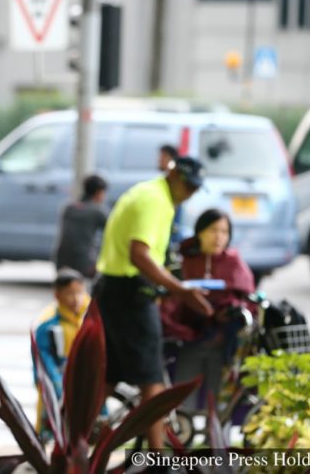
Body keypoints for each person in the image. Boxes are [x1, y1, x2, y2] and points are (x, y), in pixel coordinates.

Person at [94, 156, 214, 451]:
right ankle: (158, 456)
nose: (191, 192)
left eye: (195, 188)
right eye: (188, 185)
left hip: (113, 290)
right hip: (130, 293)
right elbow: (140, 255)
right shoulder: (155, 200)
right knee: (151, 377)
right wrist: (180, 290)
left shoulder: (151, 194)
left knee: (108, 374)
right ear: (172, 174)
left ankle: (74, 444)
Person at [161, 208, 256, 411]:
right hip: (188, 341)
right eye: (213, 230)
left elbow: (248, 299)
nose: (218, 237)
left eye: (224, 231)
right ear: (199, 232)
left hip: (224, 344)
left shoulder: (234, 263)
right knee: (182, 399)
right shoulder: (183, 261)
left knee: (219, 402)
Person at [31, 267, 90, 441]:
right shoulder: (47, 323)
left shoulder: (88, 315)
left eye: (80, 292)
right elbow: (43, 357)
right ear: (57, 295)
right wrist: (54, 382)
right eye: (70, 293)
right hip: (56, 376)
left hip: (81, 374)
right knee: (50, 415)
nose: (76, 298)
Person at [53, 174, 108, 278]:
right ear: (99, 192)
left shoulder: (68, 208)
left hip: (61, 262)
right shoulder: (98, 211)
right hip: (85, 264)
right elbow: (111, 232)